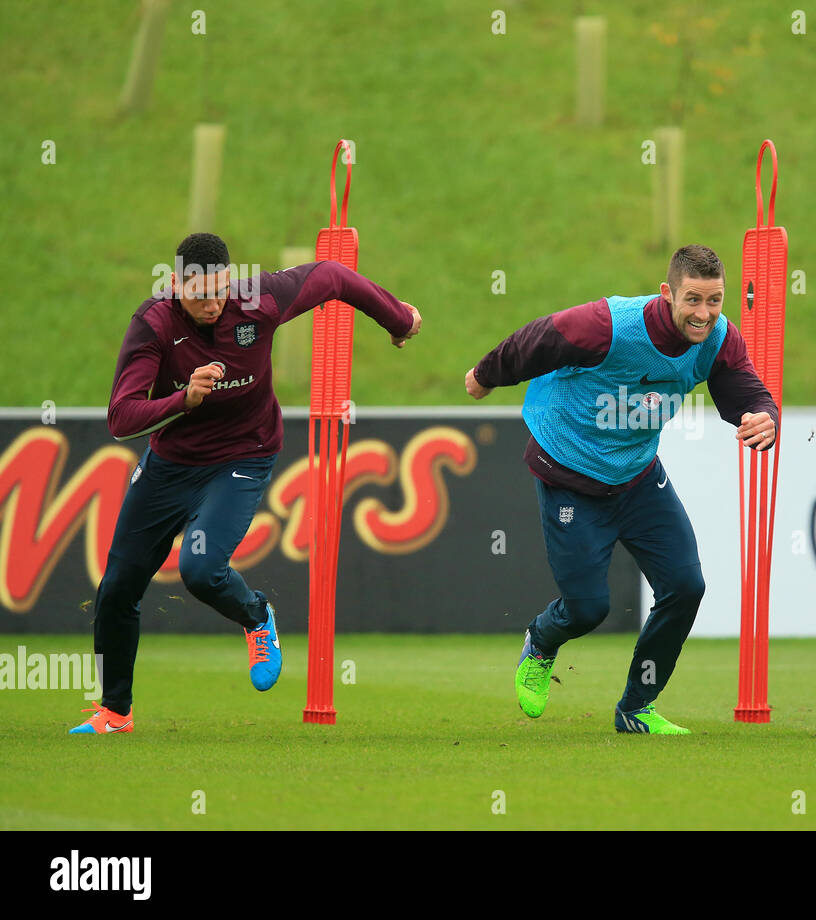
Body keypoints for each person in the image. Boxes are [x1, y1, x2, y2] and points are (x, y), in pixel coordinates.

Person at [70, 232, 421, 734]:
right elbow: (121, 417)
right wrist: (182, 401)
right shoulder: (153, 322)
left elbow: (332, 276)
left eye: (218, 291)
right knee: (117, 588)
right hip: (170, 465)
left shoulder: (258, 299)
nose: (211, 304)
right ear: (174, 285)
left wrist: (398, 319)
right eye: (198, 294)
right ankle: (114, 711)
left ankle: (257, 616)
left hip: (244, 456)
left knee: (200, 568)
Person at [466, 245, 778, 734]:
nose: (704, 314)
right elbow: (540, 338)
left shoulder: (718, 337)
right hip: (569, 475)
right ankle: (542, 641)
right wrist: (486, 375)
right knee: (588, 609)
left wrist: (764, 417)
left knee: (685, 586)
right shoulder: (608, 324)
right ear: (667, 292)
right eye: (693, 299)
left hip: (637, 477)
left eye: (715, 300)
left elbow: (744, 389)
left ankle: (636, 708)